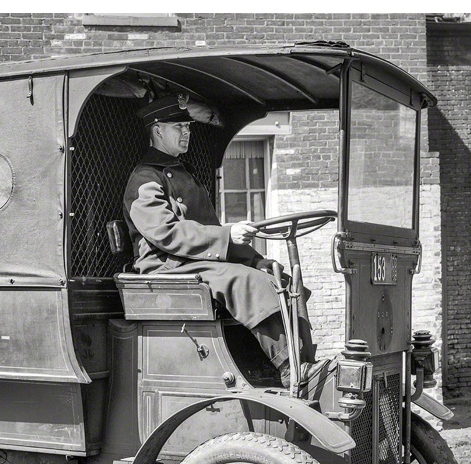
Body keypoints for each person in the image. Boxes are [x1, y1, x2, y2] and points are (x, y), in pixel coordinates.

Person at [122, 94, 329, 391]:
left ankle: (304, 361)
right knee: (244, 281)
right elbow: (166, 234)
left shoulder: (182, 171)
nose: (186, 133)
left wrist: (256, 259)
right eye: (178, 127)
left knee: (277, 274)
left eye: (188, 127)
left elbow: (208, 231)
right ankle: (289, 367)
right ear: (157, 130)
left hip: (192, 262)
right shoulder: (145, 178)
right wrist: (228, 236)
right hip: (164, 268)